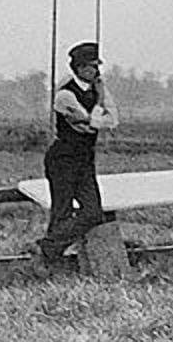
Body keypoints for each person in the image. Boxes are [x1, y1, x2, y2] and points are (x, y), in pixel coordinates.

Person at [37, 41, 118, 265]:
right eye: (92, 66)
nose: (97, 71)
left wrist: (95, 117)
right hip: (63, 158)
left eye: (97, 66)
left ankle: (49, 248)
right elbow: (87, 123)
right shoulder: (64, 95)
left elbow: (112, 121)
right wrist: (99, 104)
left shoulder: (98, 89)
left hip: (84, 159)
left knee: (93, 212)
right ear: (80, 68)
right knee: (61, 213)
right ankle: (50, 262)